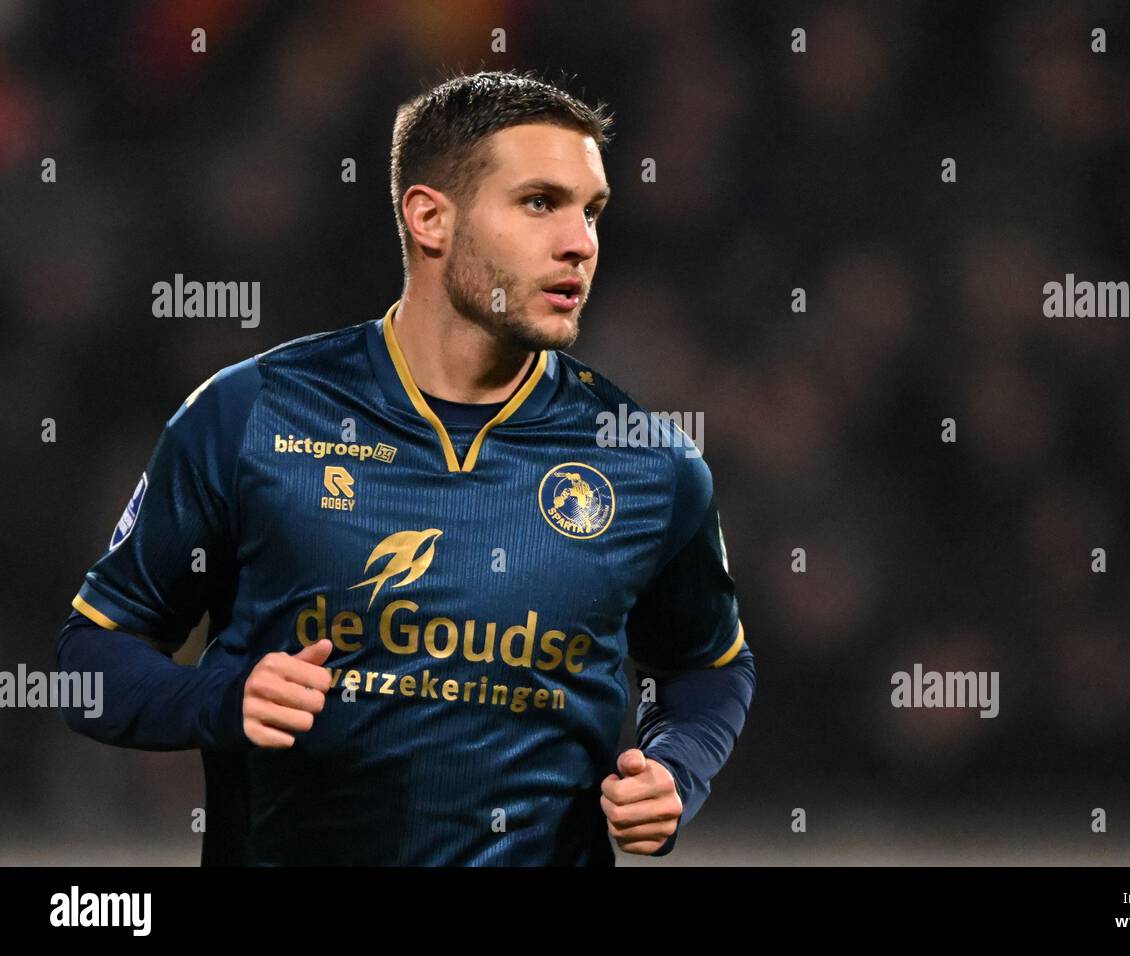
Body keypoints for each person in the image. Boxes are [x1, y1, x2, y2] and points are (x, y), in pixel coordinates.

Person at [57, 69, 755, 865]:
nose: (580, 243)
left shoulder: (649, 463)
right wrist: (220, 698)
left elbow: (707, 666)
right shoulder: (251, 415)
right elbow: (92, 660)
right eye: (539, 203)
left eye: (591, 210)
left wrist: (674, 769)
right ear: (429, 218)